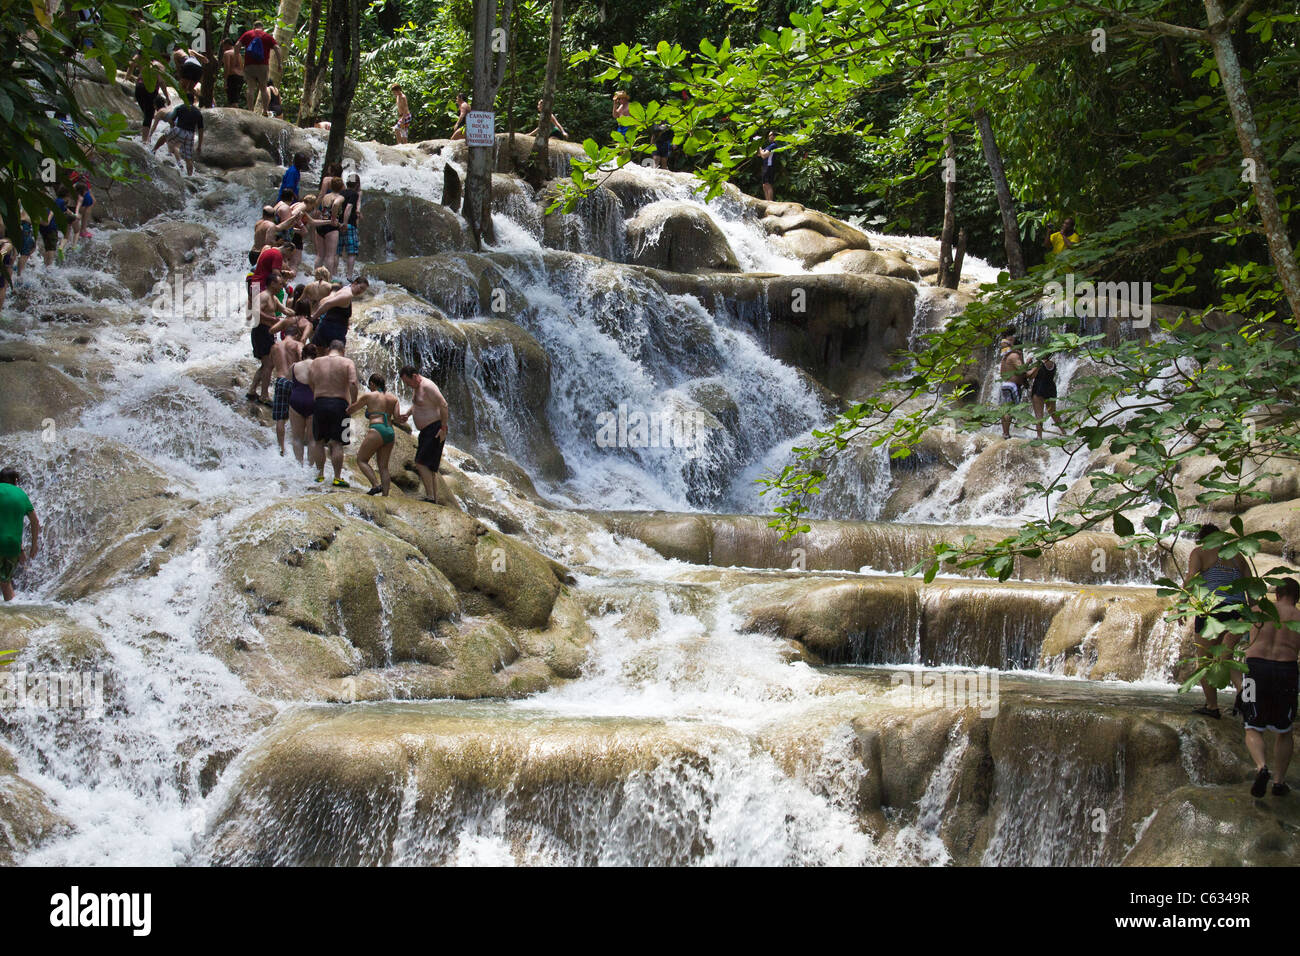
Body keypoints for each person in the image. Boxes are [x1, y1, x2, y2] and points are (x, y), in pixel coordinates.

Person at [1236, 578, 1300, 796]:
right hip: (1286, 671)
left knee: (1252, 726)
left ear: (1277, 594)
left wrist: (1237, 682)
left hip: (1255, 670)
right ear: (1296, 597)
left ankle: (1262, 767)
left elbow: (1228, 640)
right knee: (1285, 730)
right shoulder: (1298, 617)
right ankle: (1279, 783)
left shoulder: (1257, 611)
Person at [1185, 521, 1251, 718]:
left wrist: (1180, 601)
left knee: (1205, 660)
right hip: (1238, 612)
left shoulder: (1200, 552)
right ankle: (1243, 692)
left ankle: (1212, 706)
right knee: (1225, 657)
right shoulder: (1238, 556)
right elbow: (1251, 587)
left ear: (1203, 539)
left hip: (1212, 609)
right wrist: (1254, 614)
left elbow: (1191, 577)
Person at [307, 340, 359, 487]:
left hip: (320, 402)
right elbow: (353, 382)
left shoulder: (316, 362)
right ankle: (337, 477)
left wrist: (317, 394)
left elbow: (310, 381)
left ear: (328, 349)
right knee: (337, 443)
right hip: (339, 404)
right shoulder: (347, 362)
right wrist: (354, 402)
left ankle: (320, 475)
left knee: (319, 441)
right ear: (343, 350)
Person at [398, 363, 449, 504]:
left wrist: (443, 428)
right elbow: (417, 404)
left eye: (408, 382)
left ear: (414, 376)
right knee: (430, 466)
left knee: (421, 463)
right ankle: (433, 497)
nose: (407, 385)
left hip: (435, 428)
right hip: (427, 430)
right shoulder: (417, 386)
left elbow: (444, 404)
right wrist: (408, 414)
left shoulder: (428, 386)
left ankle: (430, 497)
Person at [348, 375, 401, 495]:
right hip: (389, 431)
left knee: (361, 459)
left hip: (377, 429)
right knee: (383, 467)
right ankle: (385, 496)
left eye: (369, 385)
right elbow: (398, 418)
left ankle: (375, 485)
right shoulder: (394, 398)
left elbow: (352, 409)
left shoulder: (370, 396)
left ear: (372, 383)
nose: (369, 388)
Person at [0, 467, 40, 602]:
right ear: (15, 480)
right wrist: (33, 546)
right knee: (5, 582)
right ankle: (12, 611)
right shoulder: (22, 494)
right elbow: (35, 522)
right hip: (13, 547)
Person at [248, 273, 289, 405]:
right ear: (272, 283)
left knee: (266, 364)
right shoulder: (263, 296)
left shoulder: (274, 298)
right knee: (269, 364)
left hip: (268, 332)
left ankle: (252, 390)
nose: (282, 286)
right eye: (280, 283)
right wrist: (272, 319)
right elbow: (255, 312)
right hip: (261, 331)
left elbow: (285, 310)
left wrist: (302, 314)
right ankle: (264, 395)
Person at [269, 328, 304, 455]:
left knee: (280, 418)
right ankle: (298, 446)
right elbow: (303, 360)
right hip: (295, 381)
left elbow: (272, 364)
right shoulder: (297, 345)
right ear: (296, 334)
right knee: (298, 415)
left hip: (280, 381)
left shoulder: (274, 346)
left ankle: (281, 448)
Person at [152, 93, 205, 176]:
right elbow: (201, 130)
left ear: (185, 100)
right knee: (188, 158)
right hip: (190, 135)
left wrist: (173, 128)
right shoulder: (198, 113)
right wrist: (199, 145)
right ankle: (190, 176)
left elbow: (170, 118)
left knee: (165, 137)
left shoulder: (180, 107)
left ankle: (153, 151)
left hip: (179, 129)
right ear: (193, 101)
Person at [309, 277, 368, 349]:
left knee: (321, 354)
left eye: (363, 290)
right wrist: (314, 317)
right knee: (336, 356)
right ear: (355, 283)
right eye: (361, 288)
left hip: (328, 327)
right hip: (332, 331)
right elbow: (327, 304)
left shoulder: (347, 288)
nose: (361, 291)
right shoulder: (347, 295)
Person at [284, 343, 318, 466]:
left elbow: (287, 381)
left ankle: (299, 465)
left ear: (303, 354)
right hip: (313, 401)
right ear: (315, 355)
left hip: (296, 400)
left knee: (297, 438)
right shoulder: (318, 366)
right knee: (312, 440)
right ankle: (310, 467)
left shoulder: (294, 366)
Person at [238, 21, 279, 115]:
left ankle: (250, 110)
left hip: (249, 65)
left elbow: (237, 45)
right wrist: (279, 63)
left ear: (254, 27)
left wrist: (237, 58)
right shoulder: (267, 36)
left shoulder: (247, 34)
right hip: (263, 65)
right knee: (264, 88)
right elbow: (277, 48)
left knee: (250, 88)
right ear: (262, 28)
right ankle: (265, 111)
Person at [131, 54, 169, 143]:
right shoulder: (160, 66)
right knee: (149, 115)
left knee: (146, 113)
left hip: (139, 87)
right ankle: (145, 140)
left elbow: (139, 78)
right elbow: (161, 81)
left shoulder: (149, 64)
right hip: (149, 89)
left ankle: (143, 134)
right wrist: (167, 97)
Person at [1027, 352, 1065, 440]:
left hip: (1039, 389)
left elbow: (1030, 375)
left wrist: (1027, 364)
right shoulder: (1053, 364)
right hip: (1051, 389)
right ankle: (1063, 431)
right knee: (1053, 412)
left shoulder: (1039, 364)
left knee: (1039, 414)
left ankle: (1039, 436)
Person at [997, 333, 1027, 440]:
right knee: (1009, 409)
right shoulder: (1014, 356)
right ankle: (1006, 433)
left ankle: (1005, 432)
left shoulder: (1005, 357)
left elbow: (1002, 373)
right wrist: (1028, 362)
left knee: (1005, 409)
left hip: (1005, 384)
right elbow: (1022, 369)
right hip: (1012, 385)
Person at [39, 188, 69, 267]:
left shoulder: (48, 203)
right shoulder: (60, 202)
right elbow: (65, 212)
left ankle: (45, 264)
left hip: (42, 227)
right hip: (51, 226)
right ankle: (49, 266)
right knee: (51, 248)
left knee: (47, 247)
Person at [339, 175, 362, 279]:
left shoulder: (341, 192)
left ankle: (334, 275)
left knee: (337, 251)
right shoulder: (354, 194)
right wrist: (345, 223)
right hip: (349, 225)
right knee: (351, 252)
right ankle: (349, 276)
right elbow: (348, 208)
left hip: (338, 225)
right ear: (357, 184)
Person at [221, 38, 245, 107]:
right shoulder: (239, 54)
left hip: (232, 77)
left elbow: (227, 67)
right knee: (235, 99)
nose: (223, 48)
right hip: (240, 77)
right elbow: (242, 67)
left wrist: (225, 80)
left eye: (223, 46)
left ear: (227, 44)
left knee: (232, 101)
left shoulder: (227, 53)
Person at [758, 130, 781, 201]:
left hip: (769, 166)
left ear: (774, 137)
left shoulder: (773, 145)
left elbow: (764, 155)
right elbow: (759, 155)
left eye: (770, 135)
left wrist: (760, 150)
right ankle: (767, 201)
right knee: (764, 185)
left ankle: (770, 201)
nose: (769, 137)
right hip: (766, 166)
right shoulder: (769, 146)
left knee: (768, 184)